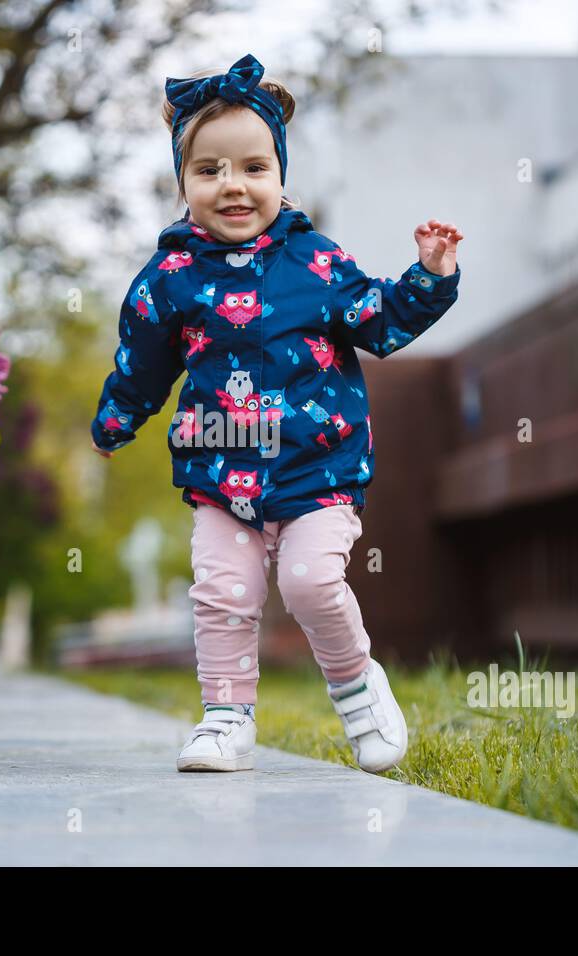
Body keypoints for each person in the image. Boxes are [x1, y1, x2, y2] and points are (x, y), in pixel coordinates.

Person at [90, 53, 463, 774]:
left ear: (280, 176)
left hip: (317, 467)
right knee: (223, 593)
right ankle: (226, 718)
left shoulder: (314, 263)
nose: (234, 185)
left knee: (309, 583)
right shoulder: (168, 279)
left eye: (254, 168)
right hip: (218, 470)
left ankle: (358, 689)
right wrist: (115, 421)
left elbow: (379, 319)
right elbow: (141, 362)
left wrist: (430, 275)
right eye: (210, 171)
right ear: (183, 183)